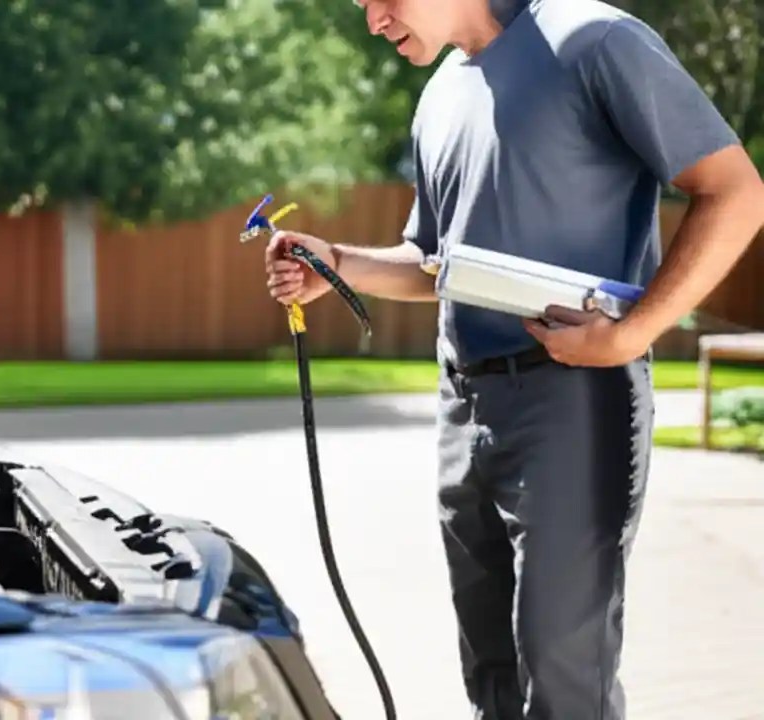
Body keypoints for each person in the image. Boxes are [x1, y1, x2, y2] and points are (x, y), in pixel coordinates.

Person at [264, 0, 764, 717]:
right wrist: (338, 264)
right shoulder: (441, 95)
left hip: (574, 400)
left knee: (563, 679)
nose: (373, 20)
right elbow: (438, 262)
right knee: (490, 677)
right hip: (464, 407)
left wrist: (632, 333)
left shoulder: (594, 41)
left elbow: (736, 192)